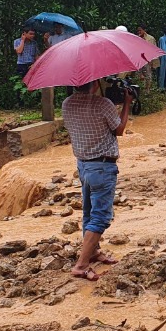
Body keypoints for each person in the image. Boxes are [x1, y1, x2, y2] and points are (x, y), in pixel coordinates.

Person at [62, 80, 131, 281]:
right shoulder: (103, 104)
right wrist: (126, 103)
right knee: (100, 217)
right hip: (102, 166)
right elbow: (119, 130)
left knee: (88, 212)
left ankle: (93, 252)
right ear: (94, 84)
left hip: (83, 165)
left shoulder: (67, 103)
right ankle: (81, 265)